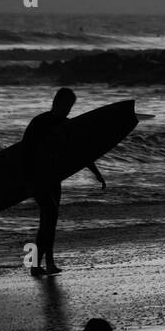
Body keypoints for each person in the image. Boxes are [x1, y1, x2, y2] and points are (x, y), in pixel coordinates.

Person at [22, 87, 105, 276]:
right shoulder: (40, 122)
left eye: (71, 106)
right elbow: (24, 153)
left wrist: (96, 172)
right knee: (48, 217)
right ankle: (35, 266)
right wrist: (26, 180)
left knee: (50, 221)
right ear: (57, 103)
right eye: (67, 106)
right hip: (37, 177)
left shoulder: (67, 125)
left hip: (54, 178)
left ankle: (48, 262)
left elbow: (81, 151)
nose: (69, 110)